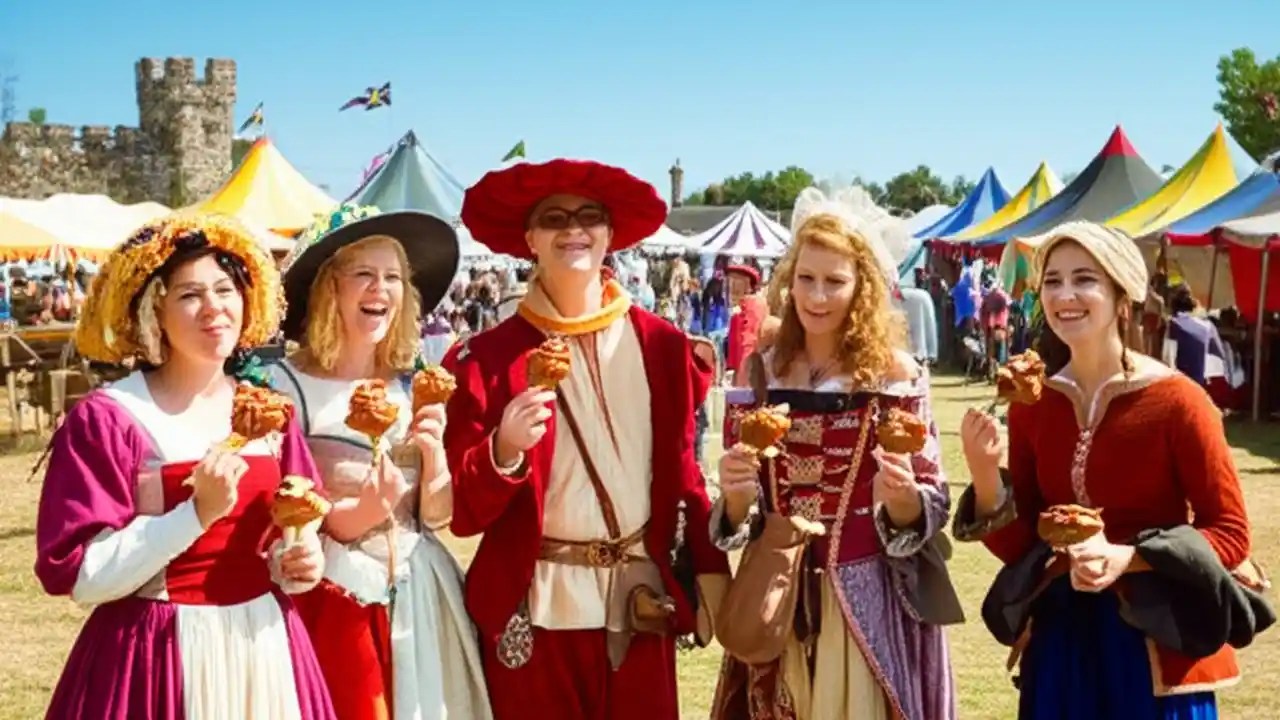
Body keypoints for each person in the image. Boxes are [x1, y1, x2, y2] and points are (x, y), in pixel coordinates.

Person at [445, 158, 731, 720]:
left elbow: (685, 476)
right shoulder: (484, 361)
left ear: (609, 235)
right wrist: (501, 453)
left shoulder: (665, 348)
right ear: (530, 239)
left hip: (637, 601)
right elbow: (460, 513)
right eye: (553, 218)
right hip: (534, 607)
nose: (573, 228)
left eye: (589, 216)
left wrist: (712, 577)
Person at [954, 221, 1268, 719]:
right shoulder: (1034, 405)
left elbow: (1230, 534)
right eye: (1052, 281)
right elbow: (1025, 546)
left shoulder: (1179, 401)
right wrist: (986, 475)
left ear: (1122, 294)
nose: (1065, 295)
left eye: (1084, 279)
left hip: (1155, 644)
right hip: (1062, 644)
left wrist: (1131, 557)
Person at [35, 213, 336, 719]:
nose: (214, 308)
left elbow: (300, 521)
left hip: (263, 650)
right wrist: (195, 514)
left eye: (226, 289)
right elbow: (83, 578)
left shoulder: (268, 412)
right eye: (190, 295)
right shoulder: (110, 419)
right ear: (154, 310)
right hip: (155, 661)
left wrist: (299, 563)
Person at [711, 187, 960, 720]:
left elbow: (934, 498)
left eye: (834, 282)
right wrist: (733, 499)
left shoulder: (895, 375)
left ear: (862, 288)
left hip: (868, 603)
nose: (817, 296)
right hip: (774, 597)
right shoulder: (760, 372)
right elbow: (742, 511)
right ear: (789, 279)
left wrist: (902, 502)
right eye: (806, 278)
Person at [270, 204, 492, 720]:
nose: (381, 289)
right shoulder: (287, 387)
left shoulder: (415, 384)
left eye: (392, 277)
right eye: (364, 275)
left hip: (420, 595)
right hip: (327, 596)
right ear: (330, 289)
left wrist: (434, 452)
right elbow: (276, 508)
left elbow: (437, 516)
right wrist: (353, 516)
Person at [724, 264, 768, 382]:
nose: (731, 286)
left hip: (748, 380)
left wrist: (743, 381)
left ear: (749, 285)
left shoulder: (753, 305)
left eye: (737, 282)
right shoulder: (737, 313)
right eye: (730, 281)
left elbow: (750, 343)